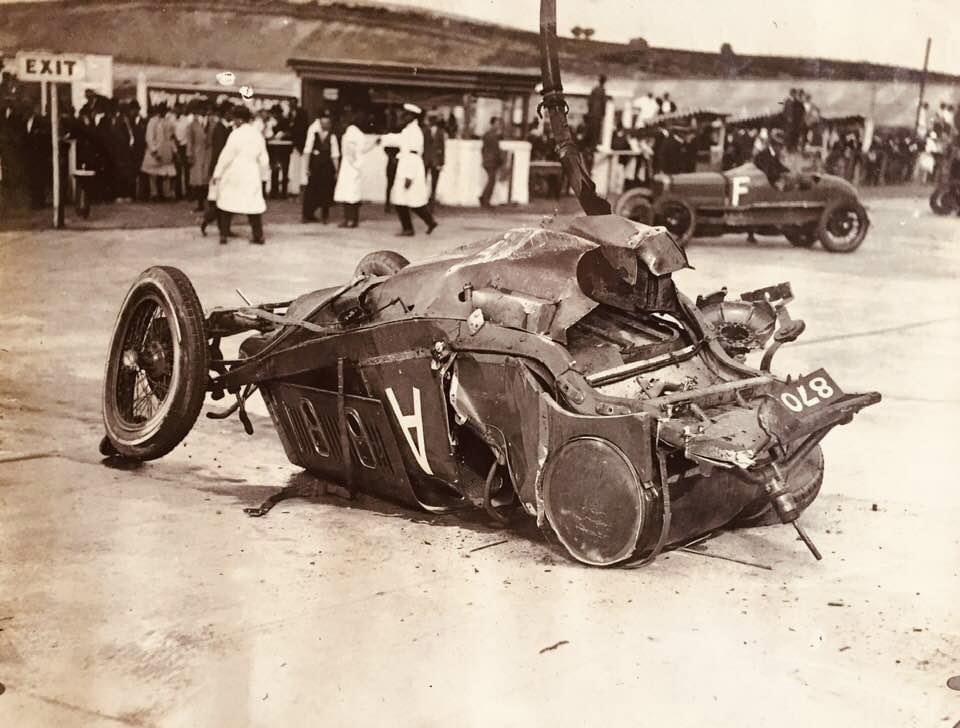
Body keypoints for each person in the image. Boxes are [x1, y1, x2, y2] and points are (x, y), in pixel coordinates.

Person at [210, 104, 269, 245]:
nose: (233, 122)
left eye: (235, 119)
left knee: (227, 202)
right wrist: (263, 175)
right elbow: (264, 159)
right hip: (252, 173)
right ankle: (258, 236)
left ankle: (223, 235)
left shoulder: (235, 134)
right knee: (253, 205)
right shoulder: (257, 135)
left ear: (240, 120)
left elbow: (226, 156)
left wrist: (217, 173)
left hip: (235, 172)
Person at [390, 103, 437, 236]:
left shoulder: (414, 132)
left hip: (410, 167)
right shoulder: (408, 130)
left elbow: (413, 153)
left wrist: (409, 176)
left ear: (413, 116)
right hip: (406, 164)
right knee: (409, 200)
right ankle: (429, 222)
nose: (404, 117)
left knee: (406, 200)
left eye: (407, 115)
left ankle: (409, 228)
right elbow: (397, 141)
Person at [333, 110, 378, 228]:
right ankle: (348, 218)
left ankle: (352, 219)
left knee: (351, 193)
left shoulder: (352, 131)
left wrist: (354, 164)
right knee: (348, 193)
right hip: (350, 165)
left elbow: (351, 150)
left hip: (351, 165)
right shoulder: (356, 132)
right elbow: (361, 149)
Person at [200, 102, 233, 236]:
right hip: (220, 169)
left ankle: (223, 228)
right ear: (225, 113)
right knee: (219, 201)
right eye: (230, 111)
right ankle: (207, 221)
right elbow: (219, 152)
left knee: (225, 200)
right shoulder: (220, 129)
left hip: (224, 168)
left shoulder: (227, 128)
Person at [301, 114, 339, 223]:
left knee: (326, 190)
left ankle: (325, 216)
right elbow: (307, 151)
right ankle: (307, 215)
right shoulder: (313, 134)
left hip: (327, 168)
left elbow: (335, 155)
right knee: (311, 191)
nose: (325, 125)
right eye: (323, 123)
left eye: (327, 123)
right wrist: (307, 167)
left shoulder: (332, 137)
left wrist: (337, 170)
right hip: (315, 167)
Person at [141, 103, 176, 201]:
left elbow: (171, 138)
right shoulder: (152, 121)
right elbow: (149, 137)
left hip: (166, 149)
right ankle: (154, 194)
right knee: (153, 174)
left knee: (167, 173)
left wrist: (174, 150)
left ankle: (167, 194)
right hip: (156, 149)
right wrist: (153, 150)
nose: (163, 112)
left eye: (165, 110)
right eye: (161, 110)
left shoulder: (168, 122)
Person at [186, 101, 213, 212]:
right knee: (198, 181)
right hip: (197, 153)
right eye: (201, 109)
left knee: (208, 179)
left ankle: (209, 204)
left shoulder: (212, 123)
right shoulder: (192, 124)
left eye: (204, 109)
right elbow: (189, 141)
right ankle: (200, 204)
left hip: (209, 153)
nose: (203, 112)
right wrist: (189, 154)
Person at [23, 103, 51, 208]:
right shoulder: (24, 121)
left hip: (39, 155)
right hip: (30, 155)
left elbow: (45, 136)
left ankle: (40, 202)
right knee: (31, 179)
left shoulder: (40, 121)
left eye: (28, 110)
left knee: (39, 179)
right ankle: (33, 201)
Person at [479, 116, 504, 207]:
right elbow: (496, 150)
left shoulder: (487, 134)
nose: (498, 126)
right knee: (491, 181)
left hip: (487, 160)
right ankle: (485, 199)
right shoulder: (493, 135)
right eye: (497, 124)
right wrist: (500, 160)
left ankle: (484, 197)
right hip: (491, 161)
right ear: (493, 124)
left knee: (491, 180)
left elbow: (483, 149)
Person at [422, 115, 446, 205]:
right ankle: (422, 200)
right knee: (422, 180)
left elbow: (442, 148)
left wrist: (442, 162)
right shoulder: (425, 131)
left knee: (434, 182)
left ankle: (432, 201)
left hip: (435, 161)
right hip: (426, 160)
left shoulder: (440, 132)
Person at [586, 74, 607, 148]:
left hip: (592, 114)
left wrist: (589, 111)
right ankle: (593, 146)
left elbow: (589, 102)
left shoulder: (594, 89)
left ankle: (590, 145)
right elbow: (603, 103)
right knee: (596, 131)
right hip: (597, 115)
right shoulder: (602, 91)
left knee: (591, 130)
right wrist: (603, 113)